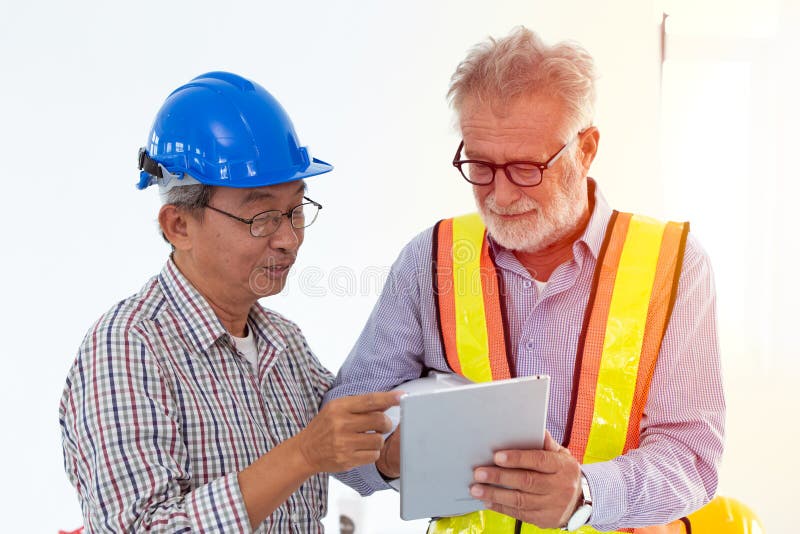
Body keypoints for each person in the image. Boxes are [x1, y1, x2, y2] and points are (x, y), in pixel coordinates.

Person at [324, 27, 724, 533]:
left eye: (526, 168)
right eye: (481, 166)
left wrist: (586, 492)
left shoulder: (675, 264)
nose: (501, 195)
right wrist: (386, 459)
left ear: (586, 148)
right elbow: (340, 431)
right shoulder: (430, 260)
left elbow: (693, 456)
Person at [58, 71, 401, 533]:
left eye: (295, 210)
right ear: (179, 225)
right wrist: (301, 454)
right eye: (260, 216)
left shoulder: (283, 342)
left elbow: (344, 451)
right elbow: (147, 528)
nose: (287, 239)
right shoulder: (126, 350)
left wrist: (411, 446)